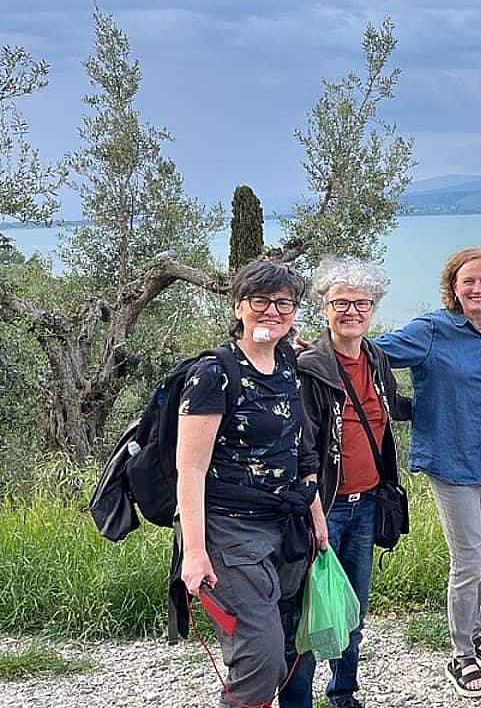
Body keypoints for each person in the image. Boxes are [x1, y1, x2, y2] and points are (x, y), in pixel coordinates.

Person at [372, 246, 481, 699]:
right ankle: (460, 652)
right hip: (452, 461)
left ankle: (474, 634)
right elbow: (371, 354)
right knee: (469, 558)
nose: (478, 288)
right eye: (469, 281)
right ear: (453, 287)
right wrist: (401, 406)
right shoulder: (430, 330)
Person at [176, 260, 323, 708]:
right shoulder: (213, 374)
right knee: (260, 656)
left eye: (284, 303)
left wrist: (315, 513)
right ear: (239, 306)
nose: (272, 311)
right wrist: (194, 552)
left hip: (282, 527)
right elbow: (190, 470)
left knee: (278, 654)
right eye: (261, 301)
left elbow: (298, 447)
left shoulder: (287, 363)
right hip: (228, 531)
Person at [281, 258, 412, 708]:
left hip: (367, 504)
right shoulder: (310, 368)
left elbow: (393, 407)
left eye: (361, 303)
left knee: (352, 609)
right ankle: (297, 701)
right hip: (325, 508)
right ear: (324, 308)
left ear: (373, 309)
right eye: (341, 303)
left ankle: (343, 694)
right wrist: (314, 510)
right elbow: (303, 449)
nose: (351, 311)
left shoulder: (376, 358)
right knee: (309, 614)